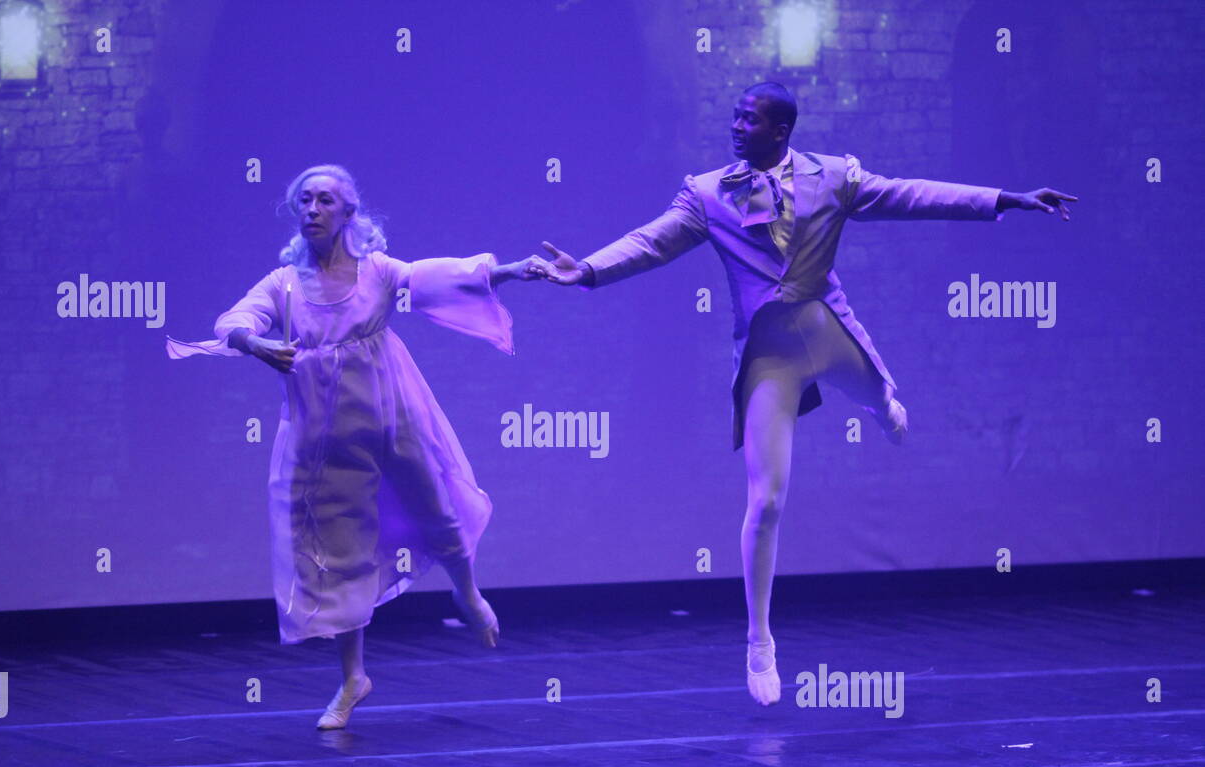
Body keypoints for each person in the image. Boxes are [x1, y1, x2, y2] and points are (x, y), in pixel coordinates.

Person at [535, 81, 1075, 706]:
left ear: (781, 130)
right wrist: (589, 270)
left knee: (879, 399)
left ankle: (882, 404)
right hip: (772, 357)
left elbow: (913, 195)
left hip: (829, 333)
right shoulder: (709, 192)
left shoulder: (835, 176)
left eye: (750, 120)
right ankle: (759, 640)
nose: (737, 127)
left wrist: (1006, 199)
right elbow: (650, 240)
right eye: (735, 117)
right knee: (765, 501)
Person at [166, 163, 548, 730]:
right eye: (305, 201)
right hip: (323, 436)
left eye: (325, 201)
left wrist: (510, 270)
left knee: (436, 505)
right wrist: (255, 344)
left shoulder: (377, 271)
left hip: (392, 413)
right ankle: (353, 677)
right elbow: (233, 319)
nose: (312, 209)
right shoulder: (286, 284)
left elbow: (437, 278)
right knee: (339, 551)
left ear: (348, 213)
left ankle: (467, 593)